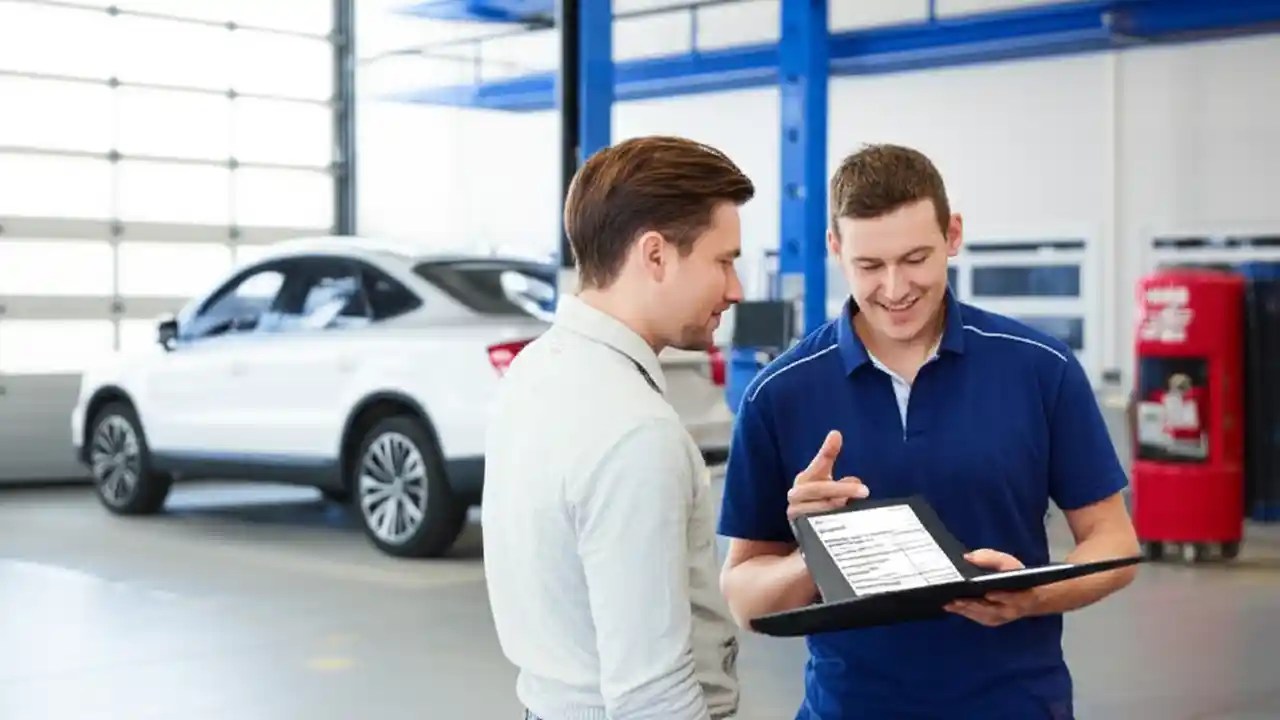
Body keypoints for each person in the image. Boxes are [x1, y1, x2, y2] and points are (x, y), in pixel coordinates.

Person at [717, 143, 1140, 719]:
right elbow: (745, 597)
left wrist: (1034, 595)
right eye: (869, 266)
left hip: (1015, 706)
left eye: (915, 258)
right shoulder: (779, 393)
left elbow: (1116, 544)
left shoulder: (1040, 369)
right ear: (835, 250)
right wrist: (818, 552)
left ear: (953, 235)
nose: (894, 288)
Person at [483, 135, 754, 720]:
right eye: (723, 261)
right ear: (654, 255)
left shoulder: (532, 371)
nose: (737, 289)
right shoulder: (635, 432)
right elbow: (650, 695)